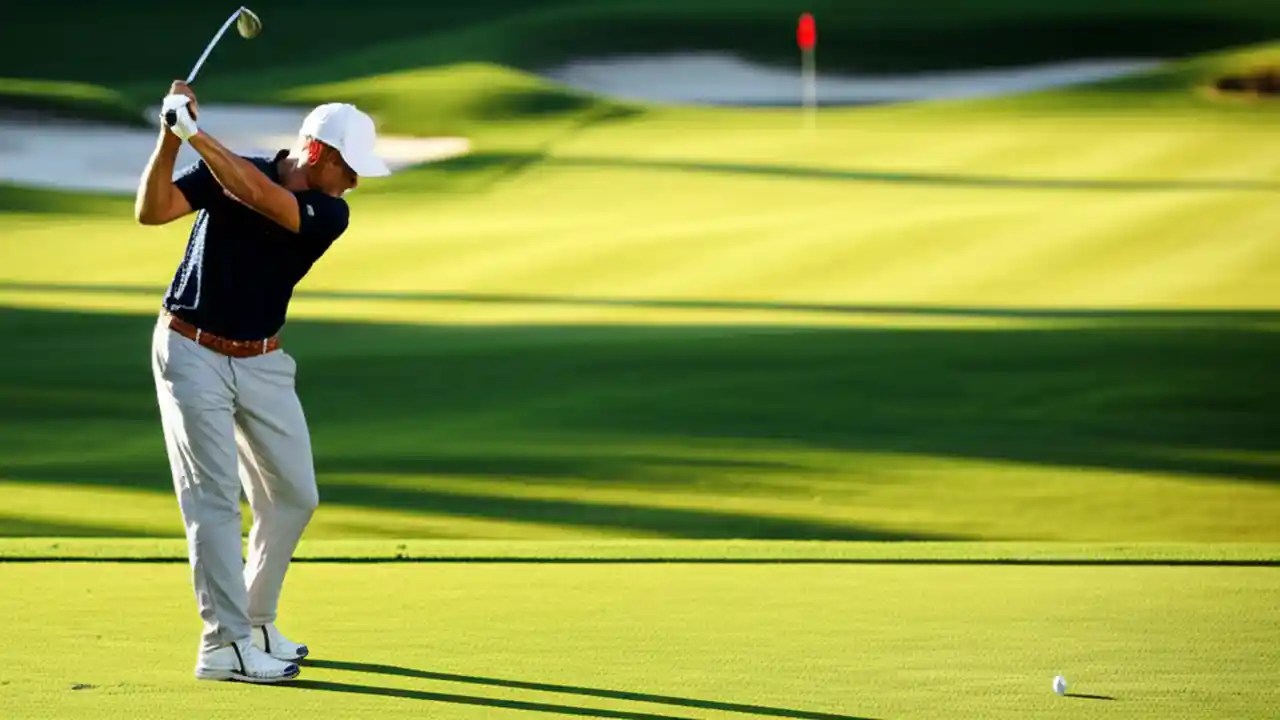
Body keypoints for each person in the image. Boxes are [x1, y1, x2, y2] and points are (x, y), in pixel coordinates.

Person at [134, 80, 390, 683]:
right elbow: (153, 210)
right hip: (190, 349)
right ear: (317, 152)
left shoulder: (330, 212)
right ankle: (224, 646)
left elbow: (259, 196)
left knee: (294, 494)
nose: (355, 182)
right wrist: (170, 139)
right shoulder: (233, 168)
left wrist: (195, 134)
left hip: (263, 361)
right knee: (215, 501)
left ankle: (254, 620)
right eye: (350, 167)